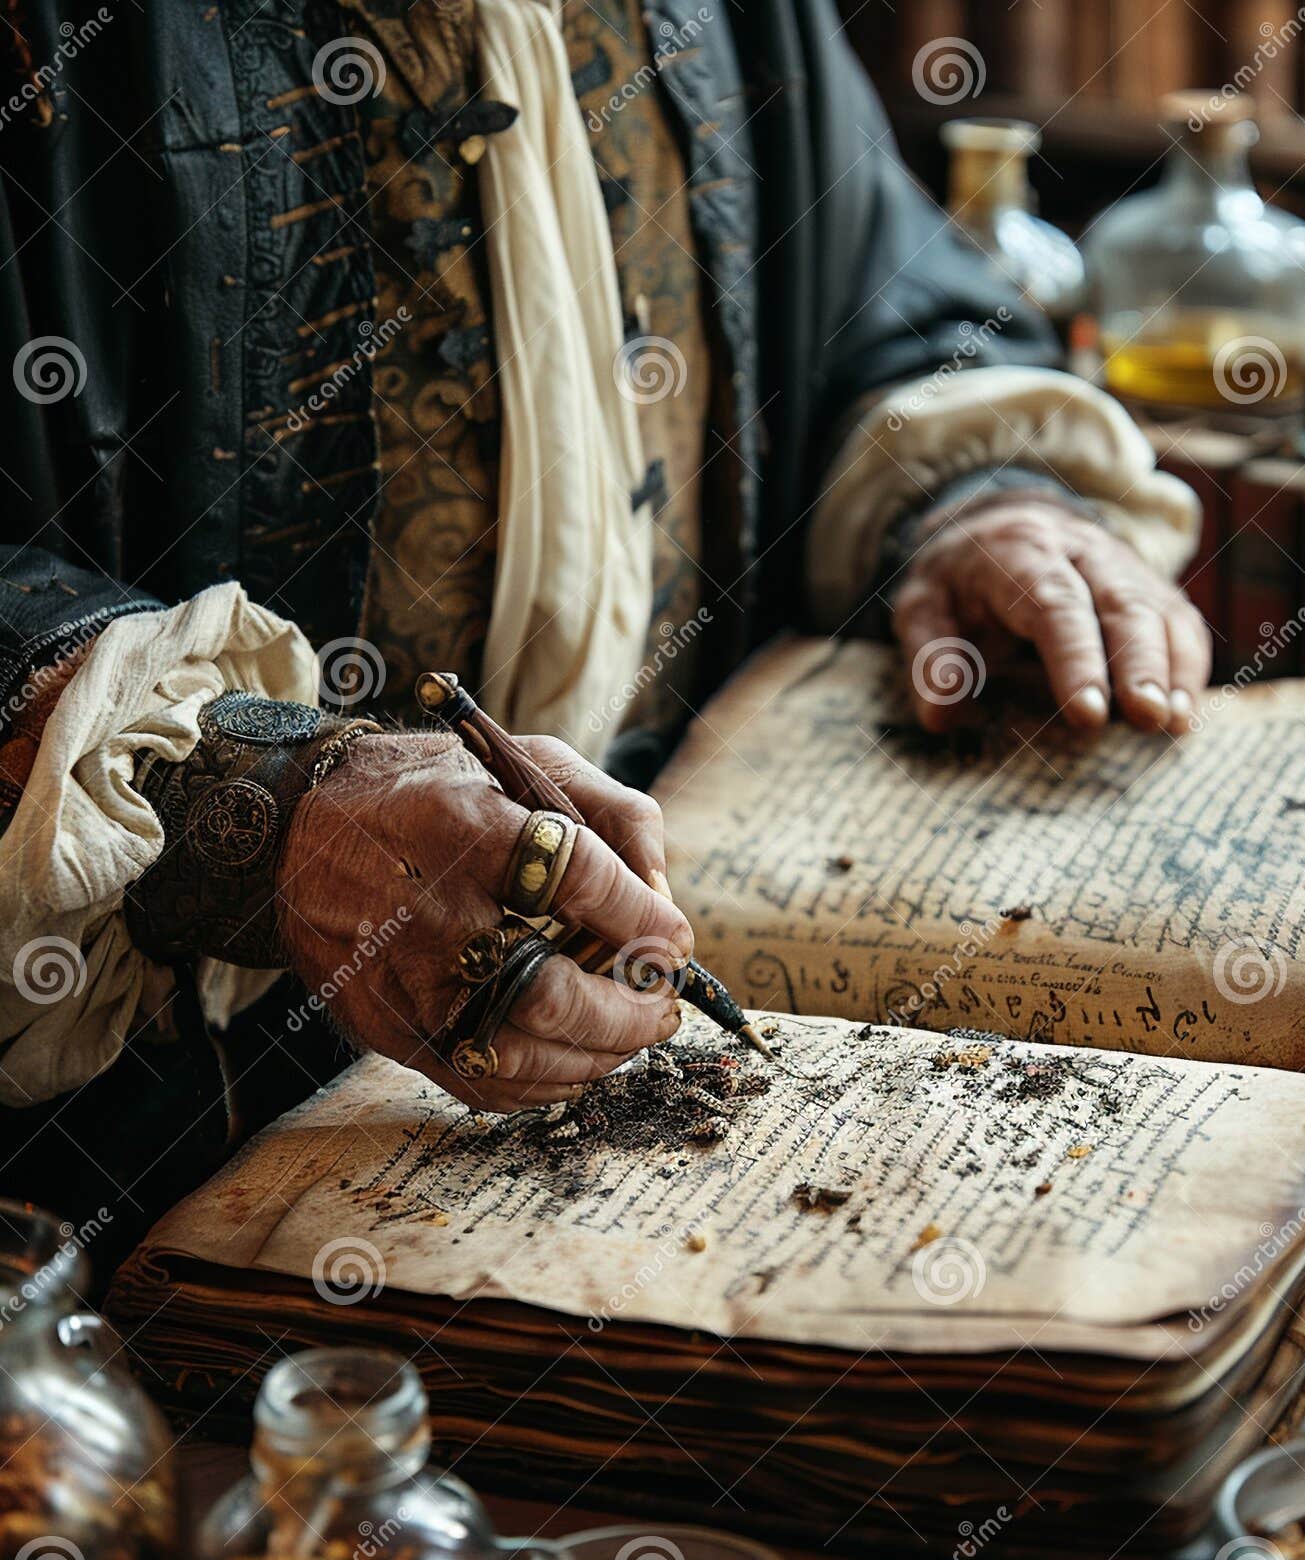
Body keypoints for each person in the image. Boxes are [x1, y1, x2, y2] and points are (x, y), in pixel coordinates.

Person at [0, 0, 1203, 1247]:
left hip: (701, 927)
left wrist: (979, 502)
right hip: (144, 1157)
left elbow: (874, 291)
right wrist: (260, 810)